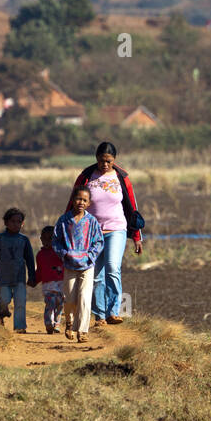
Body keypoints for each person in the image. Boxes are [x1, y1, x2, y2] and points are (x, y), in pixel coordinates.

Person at [67, 142, 141, 327]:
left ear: (114, 160)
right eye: (101, 161)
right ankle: (100, 316)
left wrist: (137, 237)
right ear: (96, 158)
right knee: (96, 274)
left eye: (108, 161)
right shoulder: (86, 176)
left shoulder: (122, 177)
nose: (105, 164)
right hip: (91, 232)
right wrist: (67, 229)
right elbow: (73, 203)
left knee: (113, 268)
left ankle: (113, 312)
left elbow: (132, 208)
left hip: (117, 229)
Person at [55, 187, 103, 343]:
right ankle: (69, 323)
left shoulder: (92, 221)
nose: (81, 202)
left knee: (84, 298)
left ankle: (82, 330)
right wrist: (65, 254)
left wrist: (90, 256)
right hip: (69, 265)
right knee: (69, 298)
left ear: (89, 203)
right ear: (72, 200)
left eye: (84, 200)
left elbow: (99, 241)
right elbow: (56, 241)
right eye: (78, 199)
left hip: (87, 266)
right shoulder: (63, 220)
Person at [0, 207, 36, 333]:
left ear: (23, 223)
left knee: (20, 301)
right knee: (5, 299)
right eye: (13, 221)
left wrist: (32, 276)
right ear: (6, 223)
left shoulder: (24, 240)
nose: (16, 224)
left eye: (19, 222)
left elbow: (30, 259)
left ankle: (20, 327)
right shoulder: (0, 238)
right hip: (4, 277)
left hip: (19, 277)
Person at [30, 225, 65, 335]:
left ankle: (57, 324)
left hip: (62, 285)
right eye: (44, 238)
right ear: (41, 239)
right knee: (50, 304)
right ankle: (48, 323)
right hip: (48, 287)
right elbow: (40, 270)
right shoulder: (40, 255)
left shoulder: (60, 252)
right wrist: (34, 280)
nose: (47, 241)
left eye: (50, 238)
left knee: (60, 306)